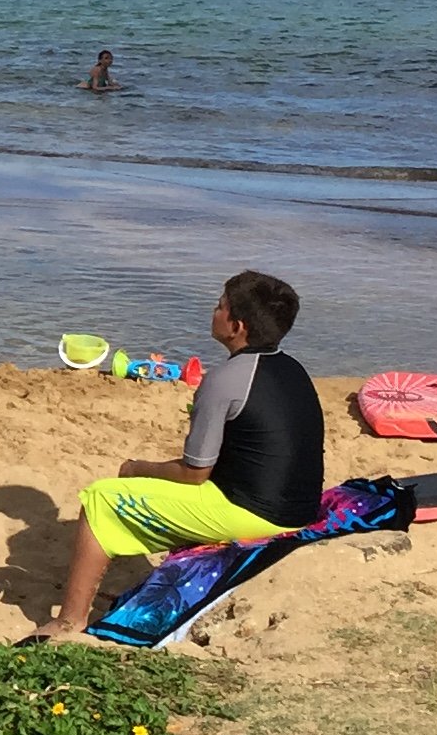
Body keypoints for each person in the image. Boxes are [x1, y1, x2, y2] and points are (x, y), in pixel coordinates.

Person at [38, 269, 324, 638]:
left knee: (101, 499)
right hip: (299, 507)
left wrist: (136, 468)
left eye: (220, 306)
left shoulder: (225, 379)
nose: (213, 311)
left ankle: (68, 621)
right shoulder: (293, 369)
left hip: (258, 514)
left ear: (236, 326)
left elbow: (194, 473)